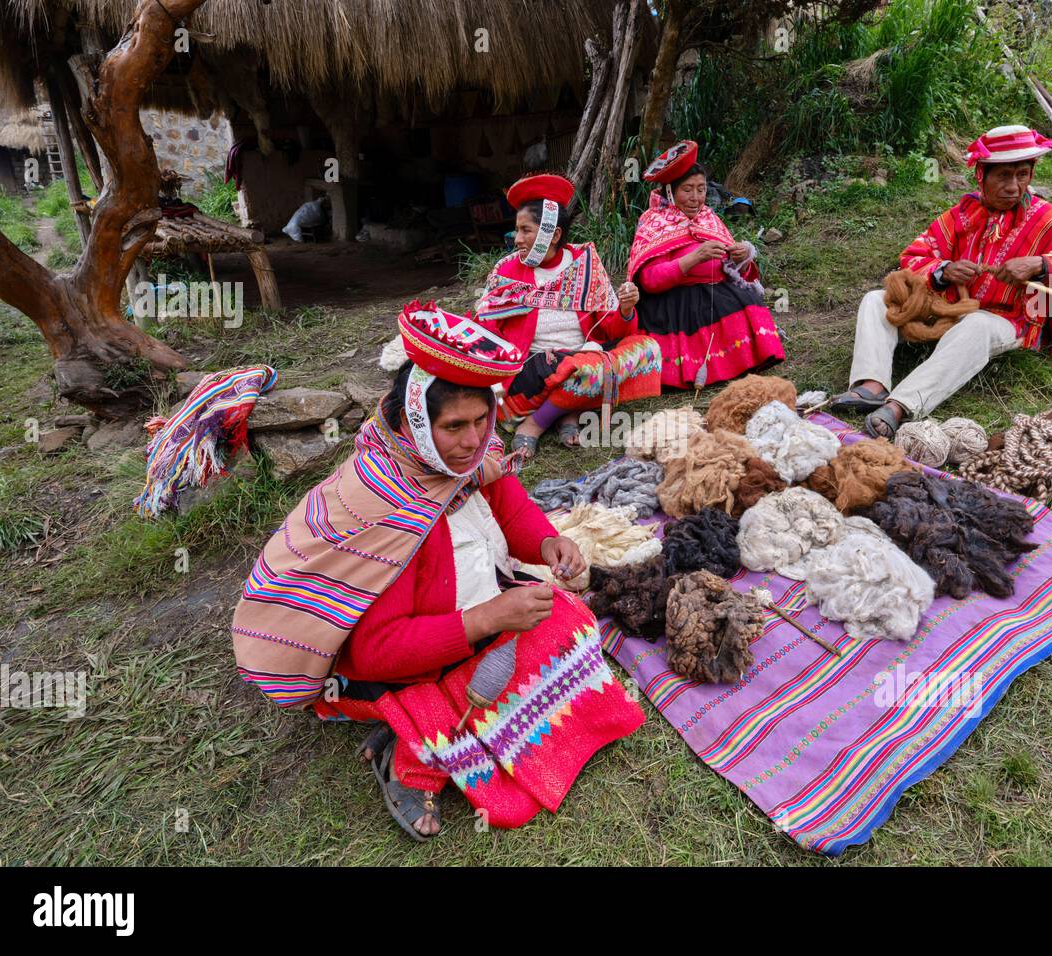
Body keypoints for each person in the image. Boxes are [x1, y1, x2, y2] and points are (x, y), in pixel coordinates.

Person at [231, 306, 644, 840]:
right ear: (414, 424)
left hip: (456, 623)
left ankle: (423, 727)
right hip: (375, 667)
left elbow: (511, 506)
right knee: (491, 673)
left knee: (568, 619)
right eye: (455, 426)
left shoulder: (456, 463)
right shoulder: (387, 510)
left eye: (481, 422)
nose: (473, 441)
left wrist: (548, 542)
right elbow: (378, 650)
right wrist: (490, 616)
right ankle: (412, 748)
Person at [832, 125, 1052, 438]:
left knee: (976, 327)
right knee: (875, 300)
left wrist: (1040, 264)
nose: (1013, 186)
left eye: (1022, 174)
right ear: (982, 176)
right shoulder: (961, 215)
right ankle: (871, 384)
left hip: (1005, 319)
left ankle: (900, 405)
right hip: (948, 307)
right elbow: (915, 256)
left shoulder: (1047, 220)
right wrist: (944, 271)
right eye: (1003, 176)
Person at [475, 173, 662, 460]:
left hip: (585, 358)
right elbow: (486, 329)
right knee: (577, 368)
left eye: (526, 230)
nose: (518, 240)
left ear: (554, 234)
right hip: (533, 369)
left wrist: (625, 310)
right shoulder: (507, 270)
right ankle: (547, 419)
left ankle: (556, 411)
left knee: (647, 349)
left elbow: (611, 330)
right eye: (517, 231)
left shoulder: (585, 265)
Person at [628, 140, 785, 388]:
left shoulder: (708, 217)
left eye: (701, 189)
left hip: (716, 293)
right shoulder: (653, 222)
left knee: (746, 299)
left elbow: (736, 273)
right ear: (670, 192)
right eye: (687, 190)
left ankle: (739, 360)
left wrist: (740, 256)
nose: (695, 198)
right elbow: (649, 280)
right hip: (674, 304)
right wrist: (694, 258)